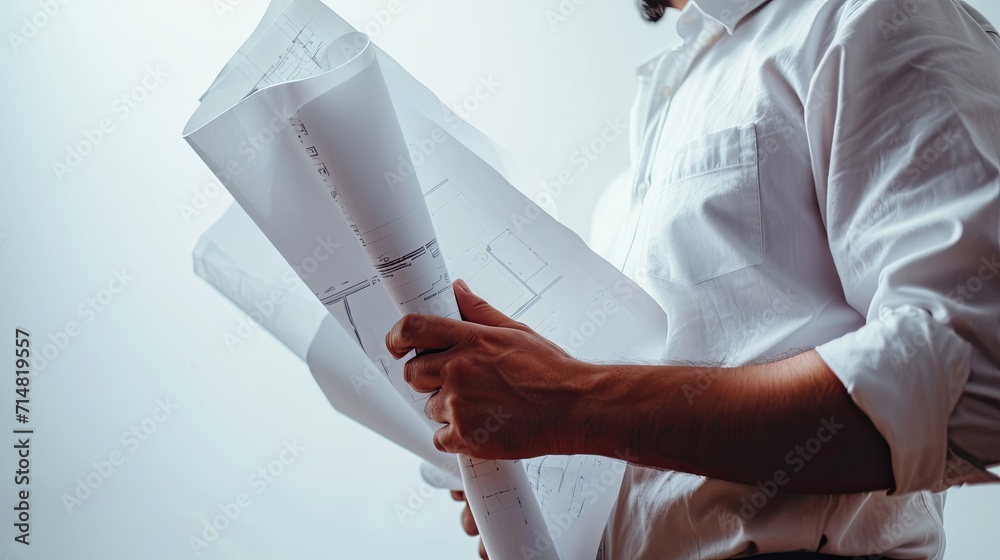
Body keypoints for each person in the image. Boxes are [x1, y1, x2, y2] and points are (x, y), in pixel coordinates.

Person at [385, 0, 1000, 558]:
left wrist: (569, 403)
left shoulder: (867, 17)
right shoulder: (623, 190)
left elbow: (973, 364)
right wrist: (537, 496)